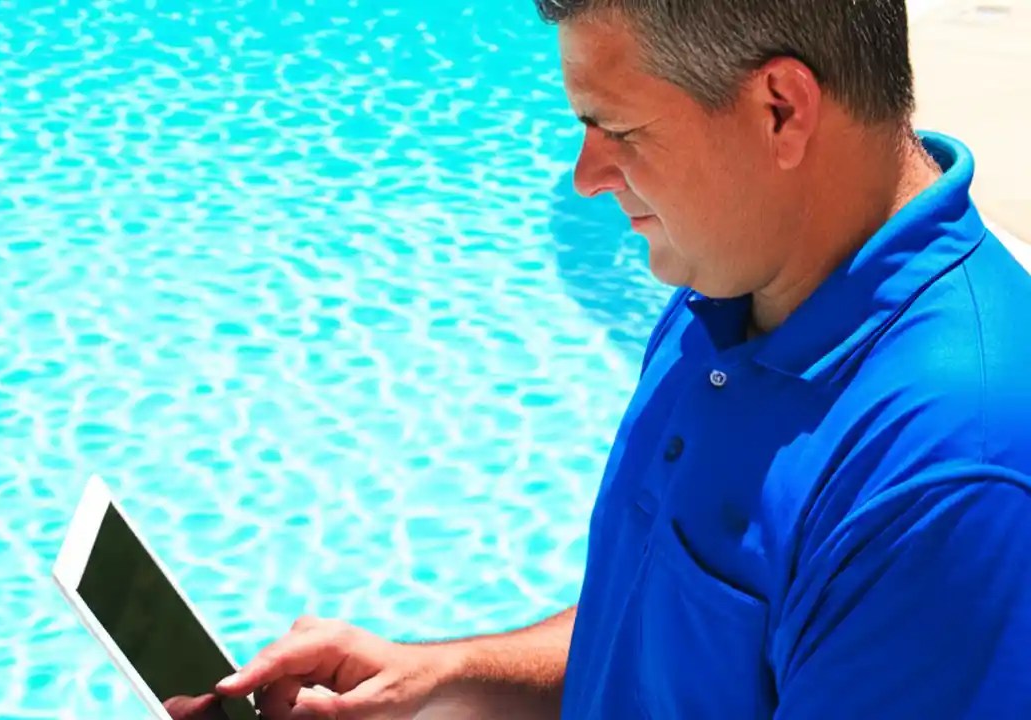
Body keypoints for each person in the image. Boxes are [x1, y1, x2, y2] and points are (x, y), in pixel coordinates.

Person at [200, 0, 1031, 717]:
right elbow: (689, 641)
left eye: (619, 129)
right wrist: (446, 681)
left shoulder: (950, 480)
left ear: (780, 109)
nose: (586, 176)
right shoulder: (743, 279)